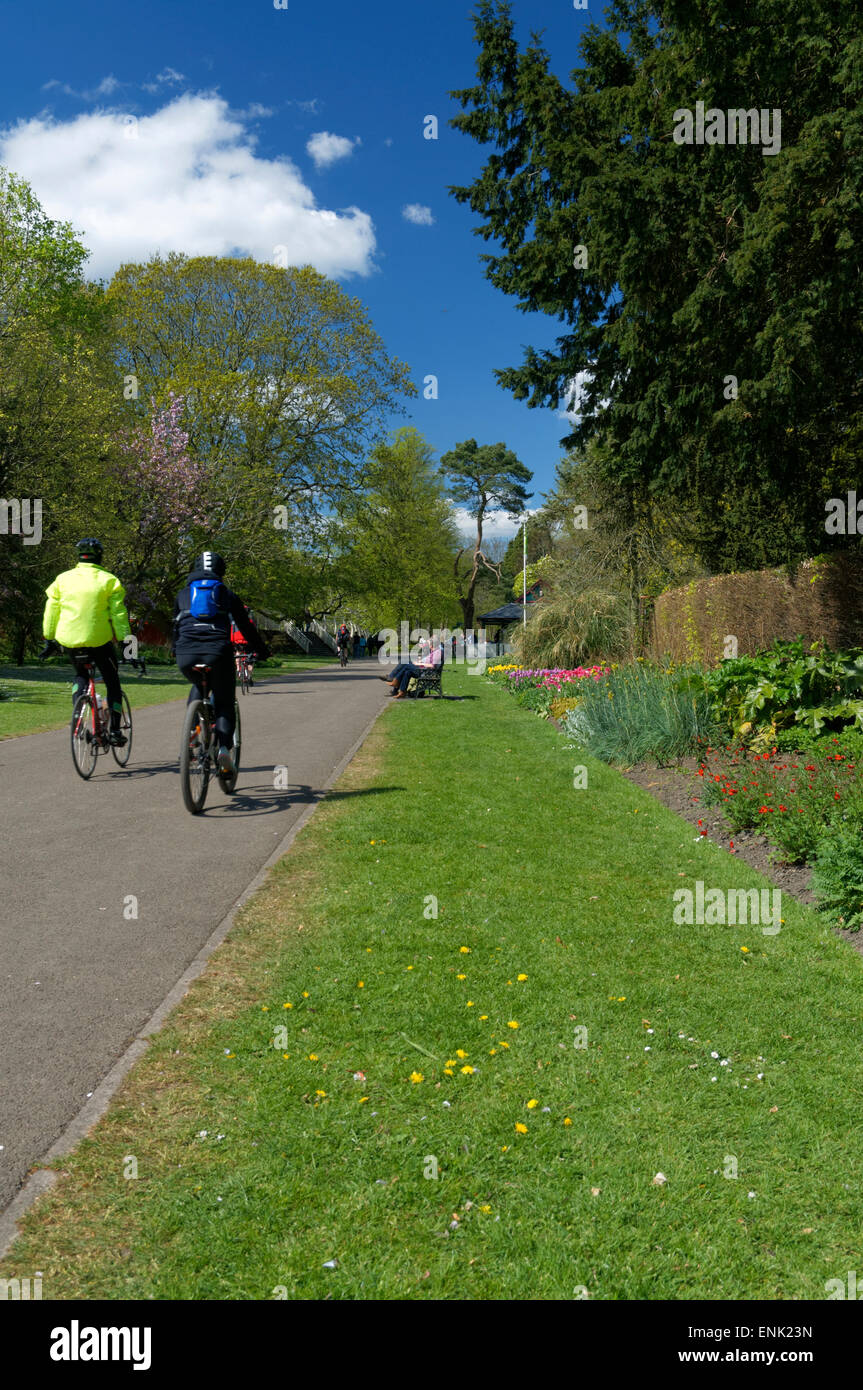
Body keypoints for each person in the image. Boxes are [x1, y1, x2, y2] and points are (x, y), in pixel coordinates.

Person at [173, 552, 270, 775]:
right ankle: (224, 748)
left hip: (186, 655)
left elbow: (175, 626)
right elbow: (246, 627)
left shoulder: (183, 593)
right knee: (225, 701)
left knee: (198, 685)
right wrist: (262, 651)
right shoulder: (227, 594)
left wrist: (174, 650)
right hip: (217, 653)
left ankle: (191, 733)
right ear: (221, 571)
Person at [41, 538, 133, 746]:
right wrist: (127, 641)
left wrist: (49, 638)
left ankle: (77, 719)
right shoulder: (110, 580)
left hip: (70, 641)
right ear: (100, 556)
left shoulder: (62, 579)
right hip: (99, 641)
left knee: (80, 675)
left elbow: (51, 612)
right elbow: (119, 615)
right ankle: (116, 730)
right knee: (112, 682)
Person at [379, 639, 444, 698]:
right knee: (406, 672)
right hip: (423, 670)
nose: (428, 645)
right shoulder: (434, 652)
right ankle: (402, 692)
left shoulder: (438, 652)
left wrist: (419, 664)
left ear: (432, 645)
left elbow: (432, 665)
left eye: (429, 644)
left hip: (425, 672)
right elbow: (428, 661)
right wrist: (420, 661)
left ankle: (393, 679)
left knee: (405, 663)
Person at [230, 606, 258, 686]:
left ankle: (238, 668)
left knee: (238, 653)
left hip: (237, 642)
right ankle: (249, 676)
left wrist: (232, 642)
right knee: (250, 659)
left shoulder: (234, 622)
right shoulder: (250, 621)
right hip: (248, 642)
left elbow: (232, 632)